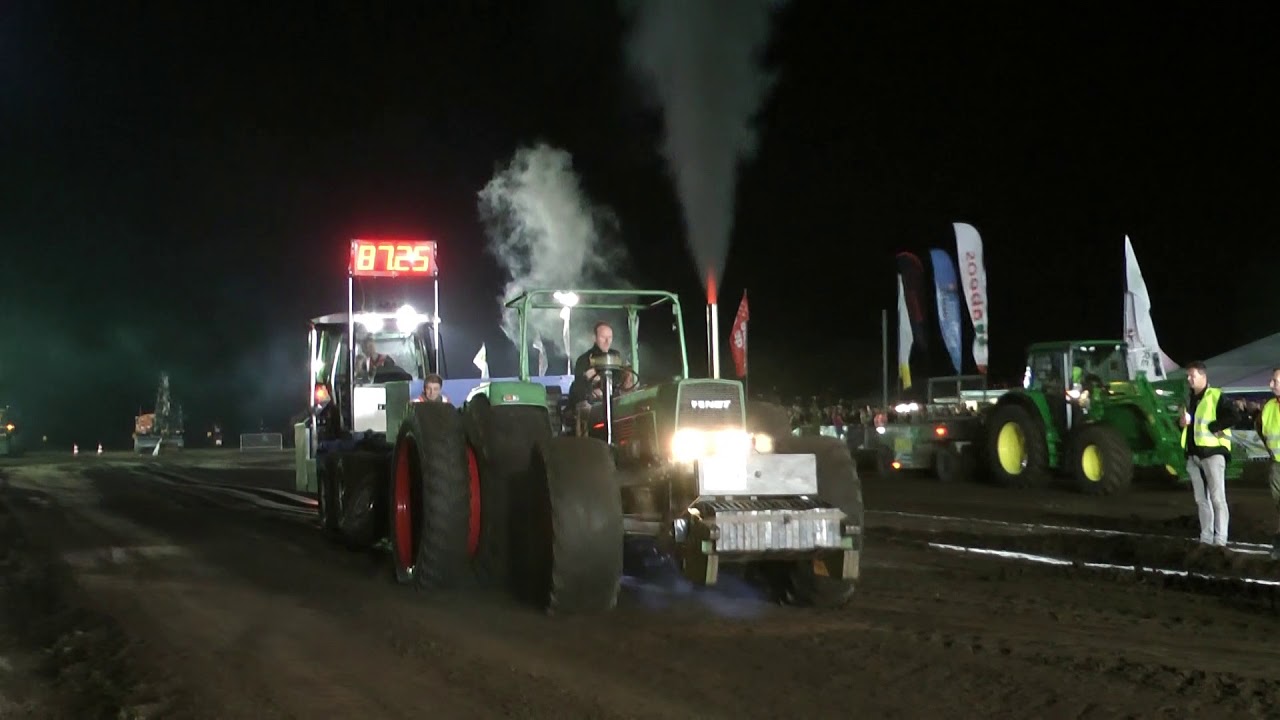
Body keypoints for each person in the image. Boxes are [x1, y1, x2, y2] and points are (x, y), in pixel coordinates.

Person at [1179, 361, 1236, 547]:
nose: (1189, 379)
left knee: (1217, 499)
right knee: (1202, 500)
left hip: (1212, 453)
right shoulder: (1190, 399)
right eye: (1188, 376)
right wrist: (1181, 423)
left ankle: (1220, 540)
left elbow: (1234, 415)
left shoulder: (1216, 396)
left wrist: (1215, 427)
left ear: (1203, 377)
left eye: (1192, 375)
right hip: (1195, 455)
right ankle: (1206, 537)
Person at [1256, 368, 1280, 558]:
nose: (1271, 385)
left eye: (1275, 381)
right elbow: (1261, 429)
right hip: (1276, 465)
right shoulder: (1269, 406)